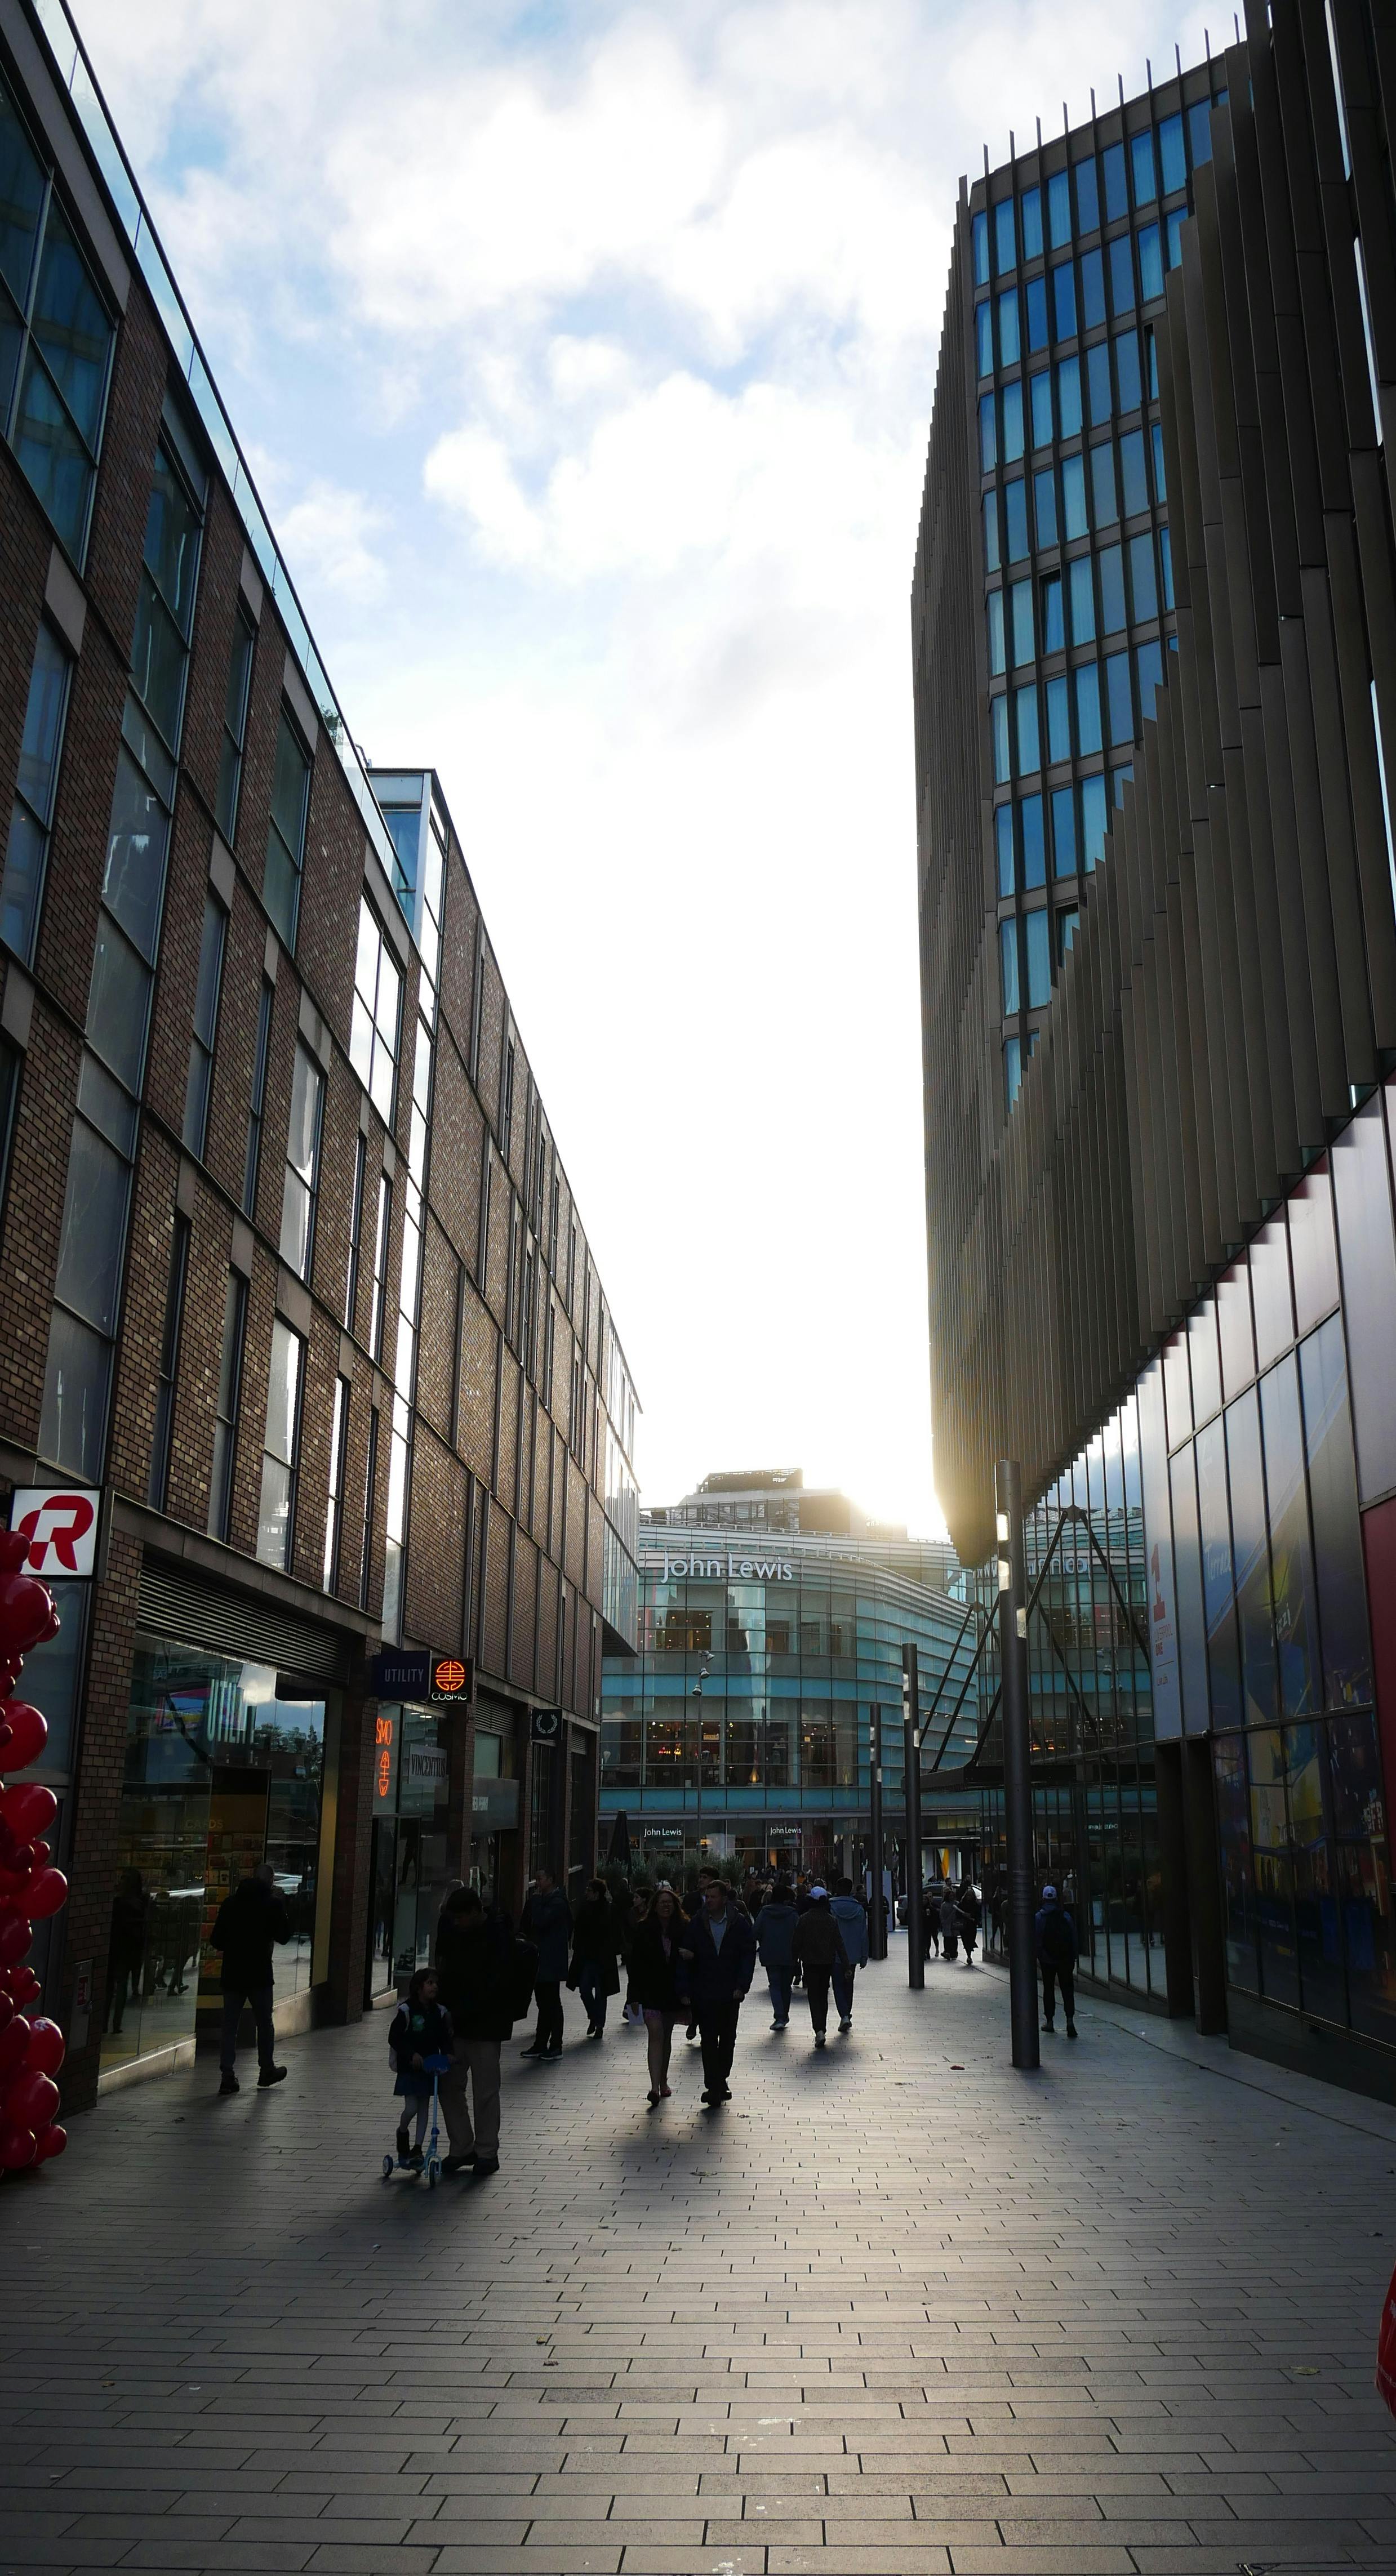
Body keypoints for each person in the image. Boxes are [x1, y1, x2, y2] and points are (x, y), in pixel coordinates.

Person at [434, 1884, 515, 2175]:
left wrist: (461, 2012)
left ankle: (486, 2152)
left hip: (485, 2026)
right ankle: (462, 2147)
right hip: (455, 2026)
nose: (456, 1924)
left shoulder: (498, 1934)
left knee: (486, 2092)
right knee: (448, 2087)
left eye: (460, 1918)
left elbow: (497, 1983)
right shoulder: (454, 1931)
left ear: (473, 1912)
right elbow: (443, 1970)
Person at [676, 1877, 757, 2105]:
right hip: (704, 1991)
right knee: (709, 2039)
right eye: (707, 1897)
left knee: (728, 2039)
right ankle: (714, 2085)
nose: (708, 1901)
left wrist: (742, 1986)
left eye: (713, 1897)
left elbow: (748, 1955)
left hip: (730, 1992)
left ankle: (721, 2079)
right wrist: (684, 1989)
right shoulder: (697, 1923)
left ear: (724, 1898)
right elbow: (684, 1954)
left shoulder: (738, 1924)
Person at [211, 1860, 290, 2094]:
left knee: (229, 2025)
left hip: (233, 1974)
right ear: (271, 1882)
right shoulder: (272, 1905)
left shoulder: (231, 1903)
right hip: (260, 1974)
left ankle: (227, 2075)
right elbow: (285, 1936)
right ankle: (266, 2070)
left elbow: (217, 1940)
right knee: (264, 2023)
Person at [388, 1967, 454, 2168]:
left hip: (429, 2067)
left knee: (425, 2106)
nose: (434, 1987)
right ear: (419, 1988)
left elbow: (443, 2037)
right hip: (410, 2068)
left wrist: (448, 2053)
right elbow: (395, 2038)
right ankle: (403, 2130)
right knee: (412, 2108)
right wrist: (411, 2054)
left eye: (436, 1984)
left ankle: (417, 2148)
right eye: (429, 1983)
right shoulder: (406, 2011)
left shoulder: (439, 2013)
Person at [628, 1883, 685, 2103]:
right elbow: (635, 1966)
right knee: (656, 2034)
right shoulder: (644, 1930)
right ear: (655, 1906)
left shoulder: (683, 1929)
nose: (666, 1907)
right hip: (649, 1992)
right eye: (662, 1903)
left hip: (672, 1993)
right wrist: (632, 1997)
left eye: (669, 1903)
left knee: (666, 2037)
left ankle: (663, 2080)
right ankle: (654, 2087)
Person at [520, 1867, 572, 2058]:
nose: (537, 1883)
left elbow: (541, 1920)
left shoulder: (557, 1902)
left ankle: (555, 2045)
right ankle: (541, 2043)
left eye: (540, 1879)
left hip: (551, 1961)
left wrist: (534, 1902)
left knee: (552, 2003)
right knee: (544, 2003)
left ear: (550, 1880)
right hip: (543, 1960)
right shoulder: (545, 1901)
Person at [792, 1884, 851, 2047]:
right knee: (823, 1995)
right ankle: (822, 2028)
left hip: (810, 1963)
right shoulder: (831, 1920)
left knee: (813, 1996)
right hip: (827, 1963)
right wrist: (846, 1966)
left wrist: (794, 1963)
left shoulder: (803, 1919)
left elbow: (796, 1943)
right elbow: (840, 1944)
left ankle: (818, 2029)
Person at [569, 1877, 622, 2038]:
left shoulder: (610, 1909)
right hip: (587, 1957)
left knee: (601, 1992)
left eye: (589, 1891)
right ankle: (594, 2016)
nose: (587, 1893)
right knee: (585, 1990)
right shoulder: (584, 1908)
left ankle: (599, 2025)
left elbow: (616, 1932)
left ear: (597, 1893)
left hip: (603, 1958)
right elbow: (578, 1930)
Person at [105, 1868, 148, 2036]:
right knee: (120, 1984)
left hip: (119, 1947)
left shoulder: (119, 1902)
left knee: (114, 1985)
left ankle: (106, 2024)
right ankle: (115, 2024)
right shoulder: (139, 1902)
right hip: (127, 1948)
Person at [754, 1879, 799, 2028]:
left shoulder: (765, 1913)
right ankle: (784, 2014)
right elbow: (799, 1933)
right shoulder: (792, 1914)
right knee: (786, 1986)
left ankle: (780, 2016)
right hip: (789, 1954)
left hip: (770, 1954)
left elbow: (755, 1932)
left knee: (774, 1985)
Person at [1035, 1883, 1079, 2038]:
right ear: (1056, 1899)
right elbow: (1074, 1938)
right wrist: (1073, 1956)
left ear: (1043, 1899)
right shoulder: (1065, 1917)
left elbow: (1037, 1940)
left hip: (1048, 1960)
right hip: (1065, 1960)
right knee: (1068, 1990)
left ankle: (1050, 2021)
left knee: (1048, 1990)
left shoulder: (1039, 1917)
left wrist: (1040, 1956)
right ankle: (1070, 2021)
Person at [829, 1876, 868, 2031]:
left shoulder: (831, 1907)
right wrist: (864, 1955)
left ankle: (844, 2014)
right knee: (848, 1984)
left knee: (837, 1985)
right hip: (852, 1954)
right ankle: (847, 2013)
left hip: (835, 1953)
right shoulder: (859, 1909)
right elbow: (863, 1934)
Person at [957, 1878, 981, 1966]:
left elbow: (978, 1915)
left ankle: (969, 1953)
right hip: (964, 1926)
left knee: (971, 1939)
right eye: (968, 1896)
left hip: (972, 1925)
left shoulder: (975, 1905)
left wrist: (974, 1919)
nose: (969, 1898)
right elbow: (958, 1914)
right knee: (965, 1940)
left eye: (971, 1896)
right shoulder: (962, 1904)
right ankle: (969, 1955)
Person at [924, 1883, 942, 1959]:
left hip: (933, 1926)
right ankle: (927, 1952)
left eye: (930, 1896)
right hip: (927, 1926)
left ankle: (937, 1949)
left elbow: (937, 1915)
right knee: (927, 1940)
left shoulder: (934, 1905)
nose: (929, 1898)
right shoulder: (922, 1907)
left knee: (935, 1938)